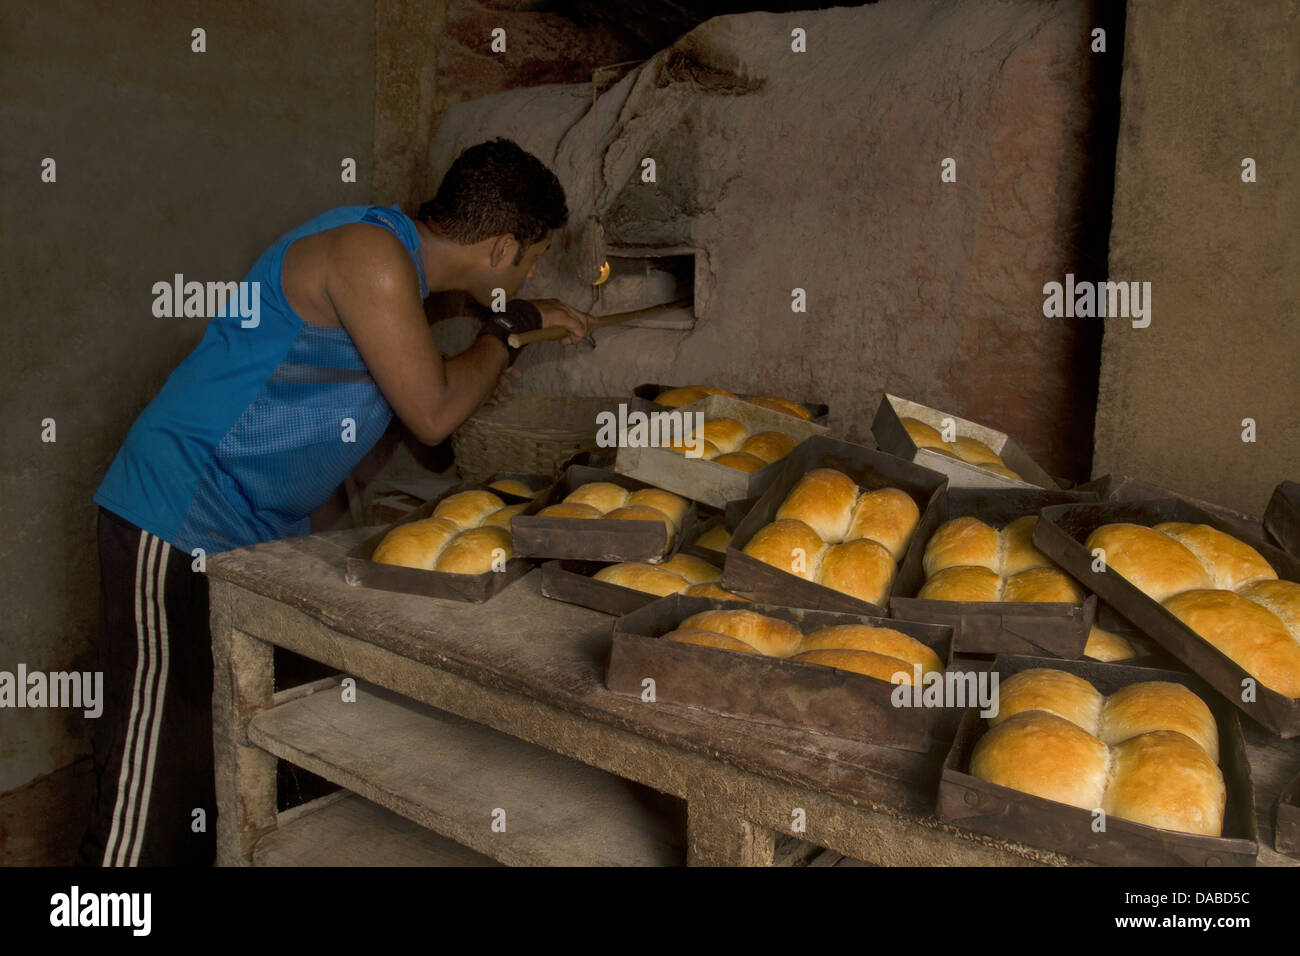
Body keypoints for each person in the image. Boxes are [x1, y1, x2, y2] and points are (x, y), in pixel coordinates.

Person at [78, 138, 591, 866]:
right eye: (534, 256)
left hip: (249, 536)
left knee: (223, 754)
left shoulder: (392, 269)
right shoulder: (371, 257)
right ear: (502, 245)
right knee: (150, 775)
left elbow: (411, 401)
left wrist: (469, 369)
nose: (533, 272)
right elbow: (434, 412)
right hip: (177, 514)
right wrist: (505, 334)